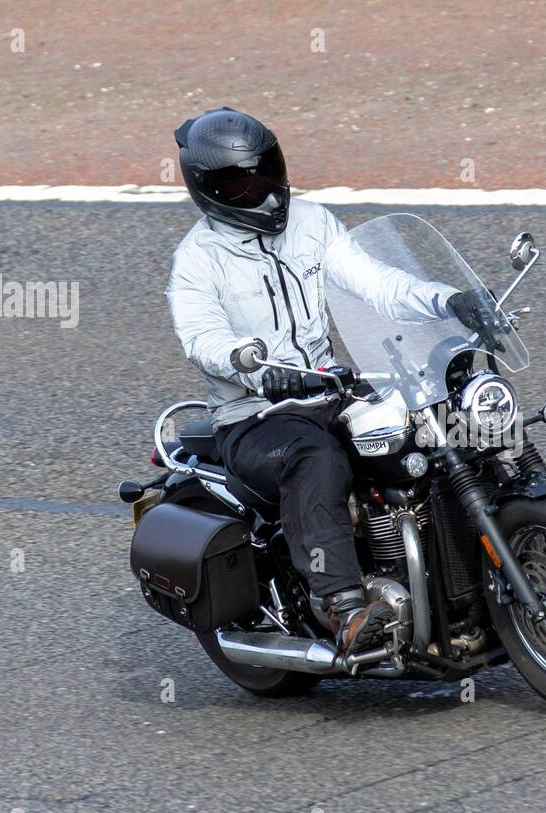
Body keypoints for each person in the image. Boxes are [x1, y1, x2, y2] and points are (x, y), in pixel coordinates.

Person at [166, 108, 496, 654]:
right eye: (244, 181)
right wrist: (251, 363)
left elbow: (377, 284)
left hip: (329, 390)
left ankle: (461, 583)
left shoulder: (313, 223)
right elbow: (201, 338)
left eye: (267, 170)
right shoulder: (196, 261)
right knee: (316, 459)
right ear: (210, 190)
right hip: (254, 417)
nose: (266, 191)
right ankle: (344, 606)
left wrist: (450, 302)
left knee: (432, 427)